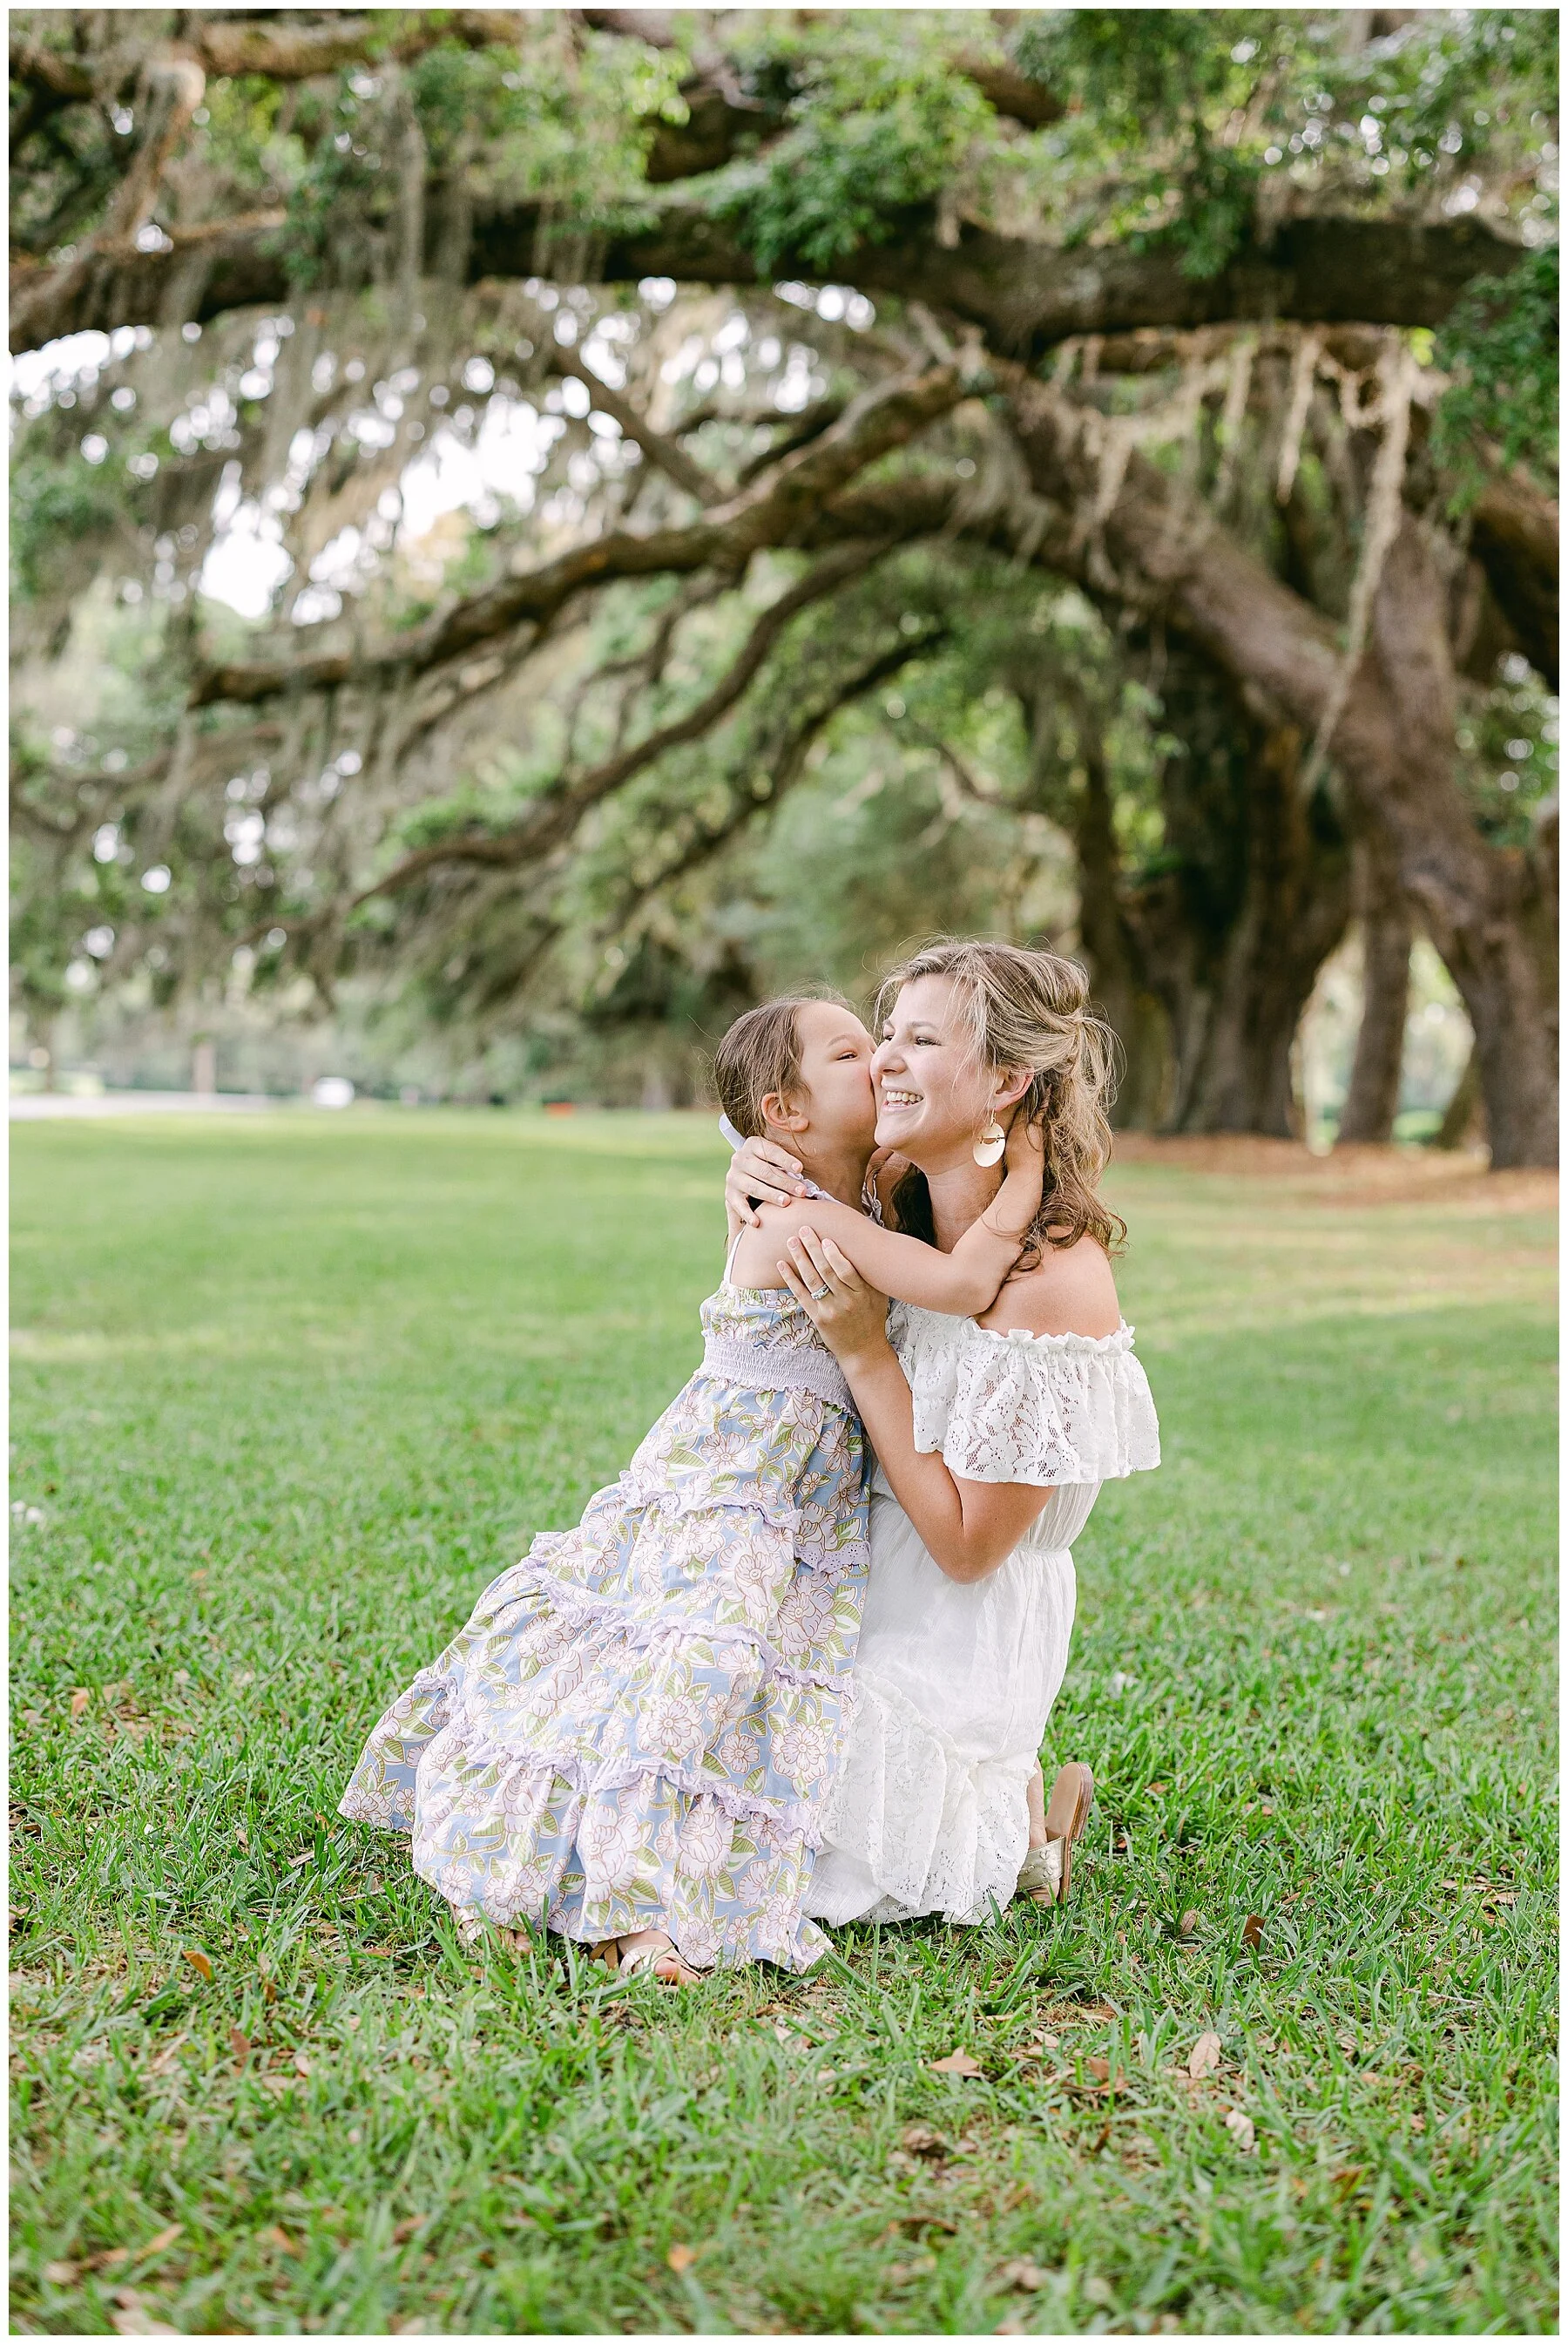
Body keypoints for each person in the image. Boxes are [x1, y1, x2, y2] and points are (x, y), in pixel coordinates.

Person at [340, 992, 1044, 1985]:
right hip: (731, 1490)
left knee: (723, 1697)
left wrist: (747, 1146)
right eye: (852, 1050)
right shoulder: (799, 1220)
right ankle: (602, 1900)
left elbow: (830, 1152)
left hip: (786, 1502)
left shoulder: (862, 1188)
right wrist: (1029, 1177)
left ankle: (619, 1882)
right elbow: (966, 1283)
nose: (881, 1059)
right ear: (785, 1112)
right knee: (679, 1685)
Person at [725, 939, 1160, 1929]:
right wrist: (744, 1163)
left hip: (954, 1625)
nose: (883, 1058)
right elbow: (779, 1131)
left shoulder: (1055, 1282)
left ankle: (1015, 1820)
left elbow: (968, 1549)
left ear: (1005, 1079)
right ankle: (1024, 1824)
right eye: (884, 1035)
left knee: (800, 1873)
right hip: (848, 1578)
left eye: (920, 1040)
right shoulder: (902, 1202)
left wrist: (864, 1349)